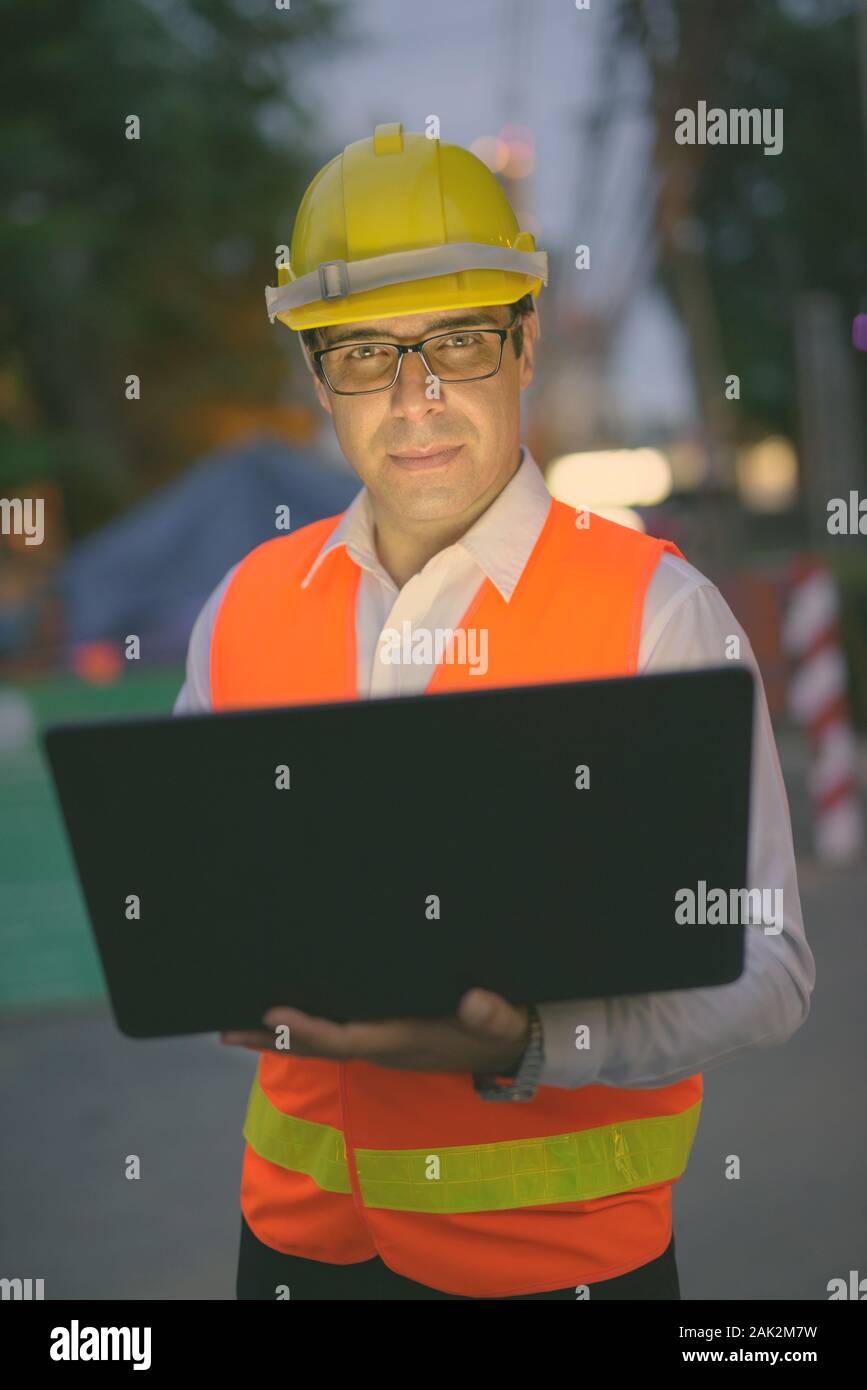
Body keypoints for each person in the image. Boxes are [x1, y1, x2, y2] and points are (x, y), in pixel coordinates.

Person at [174, 123, 815, 1301]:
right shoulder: (242, 609)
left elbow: (770, 965)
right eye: (366, 354)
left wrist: (530, 1043)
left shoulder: (658, 615)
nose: (414, 398)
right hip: (293, 1253)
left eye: (457, 343)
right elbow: (193, 893)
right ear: (321, 380)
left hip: (562, 1269)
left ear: (524, 348)